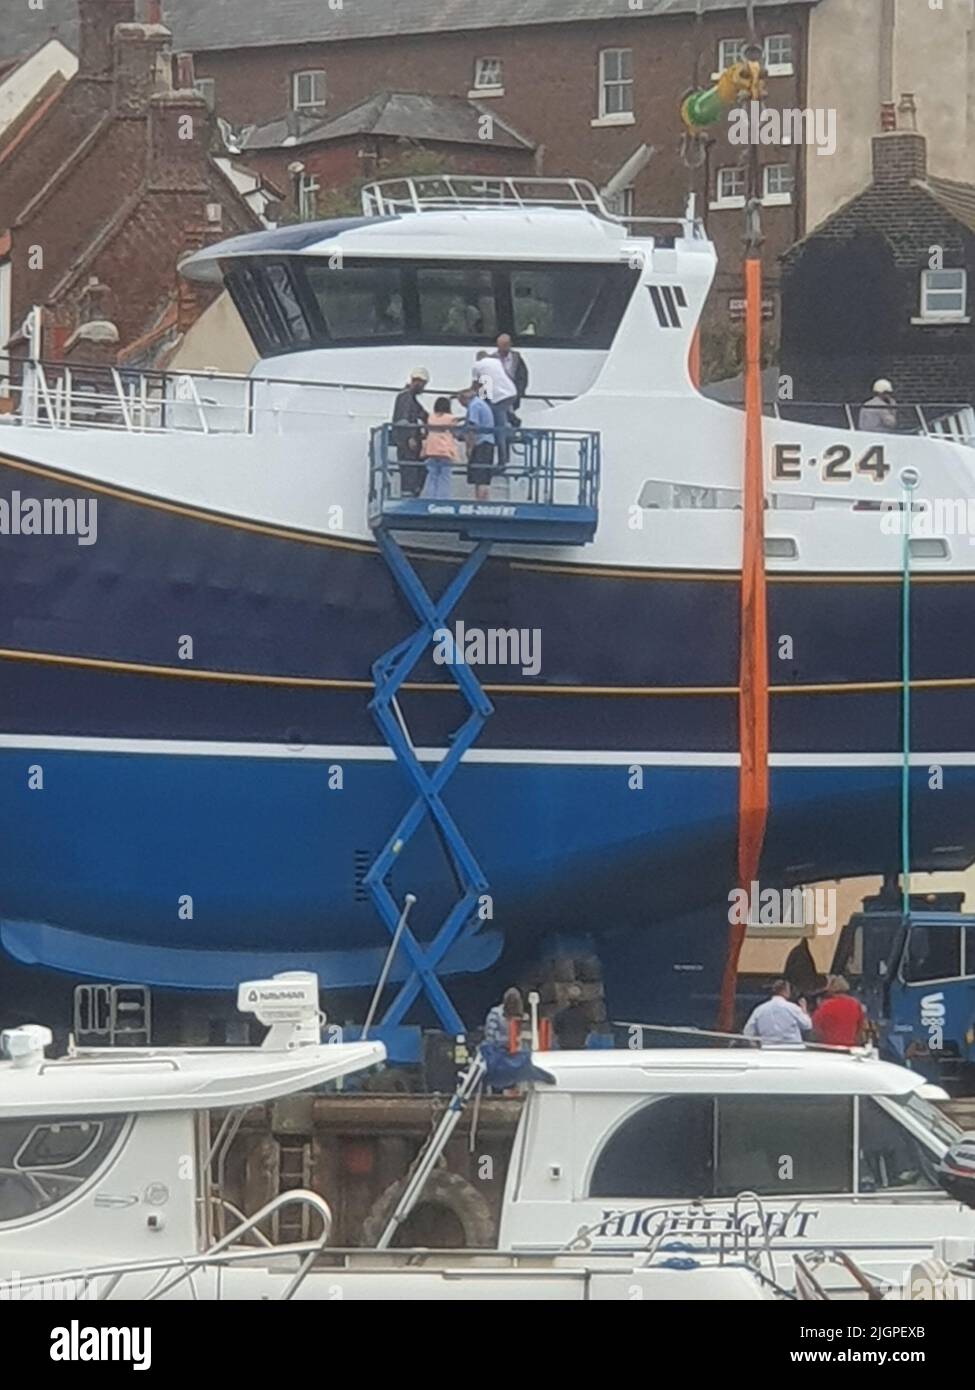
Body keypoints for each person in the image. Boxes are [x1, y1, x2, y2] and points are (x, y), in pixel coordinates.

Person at [473, 349, 517, 467]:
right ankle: (512, 420)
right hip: (511, 393)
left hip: (500, 398)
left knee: (498, 427)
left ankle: (502, 460)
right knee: (500, 419)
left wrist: (476, 400)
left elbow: (477, 386)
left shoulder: (477, 366)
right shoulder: (496, 362)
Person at [391, 368, 430, 498]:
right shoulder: (406, 396)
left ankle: (412, 493)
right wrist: (410, 437)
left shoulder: (410, 398)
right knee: (410, 470)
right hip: (406, 443)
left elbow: (423, 414)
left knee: (418, 470)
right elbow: (403, 420)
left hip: (409, 442)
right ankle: (409, 495)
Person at [743, 979, 813, 1044]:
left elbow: (748, 1032)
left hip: (767, 1049)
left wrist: (755, 1045)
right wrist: (803, 1008)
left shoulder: (760, 1009)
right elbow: (807, 1025)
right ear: (786, 991)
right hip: (792, 1049)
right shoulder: (792, 1008)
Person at [460, 385, 495, 501]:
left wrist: (469, 448)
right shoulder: (481, 404)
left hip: (482, 443)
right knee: (483, 477)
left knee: (480, 476)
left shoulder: (474, 406)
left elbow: (472, 428)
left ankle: (480, 502)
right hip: (487, 441)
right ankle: (482, 501)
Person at [420, 397, 460, 500]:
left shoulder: (431, 417)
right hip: (444, 449)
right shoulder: (451, 418)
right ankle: (443, 498)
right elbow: (455, 432)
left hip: (431, 448)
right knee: (445, 475)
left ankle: (429, 496)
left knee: (432, 474)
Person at [812, 975, 867, 1047]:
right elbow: (860, 1027)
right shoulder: (856, 1004)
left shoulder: (826, 1005)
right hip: (849, 1046)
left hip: (828, 1046)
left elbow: (815, 1025)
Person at [492, 333, 529, 410]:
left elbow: (522, 377)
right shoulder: (492, 359)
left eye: (505, 345)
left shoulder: (517, 359)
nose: (503, 348)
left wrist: (519, 393)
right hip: (497, 396)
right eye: (501, 345)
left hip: (513, 395)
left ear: (510, 344)